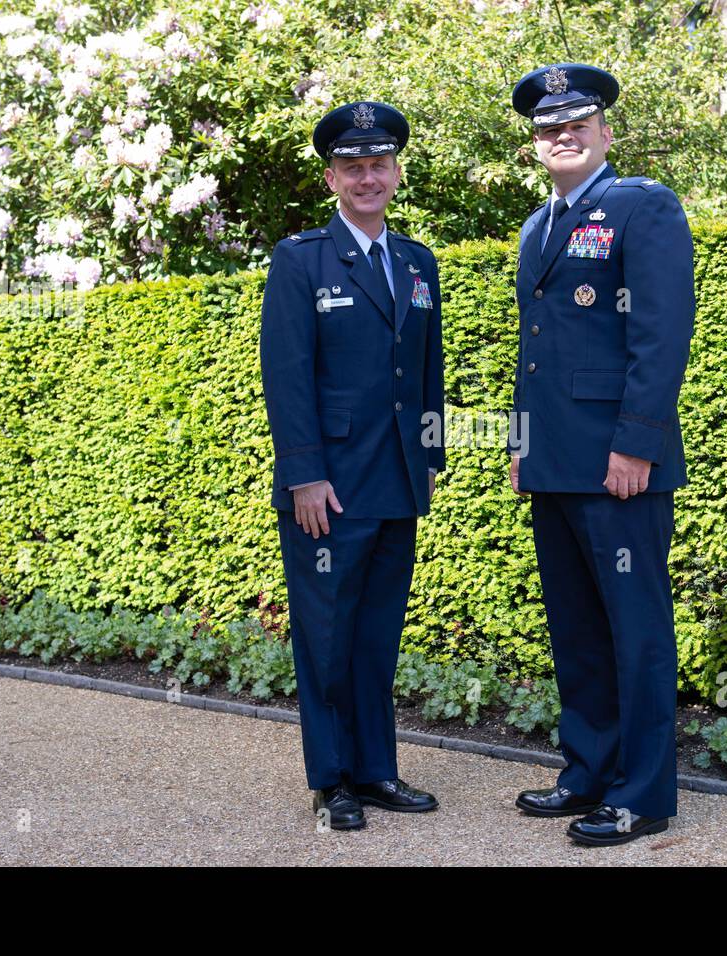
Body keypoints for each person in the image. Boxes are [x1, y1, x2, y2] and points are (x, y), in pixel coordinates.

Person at [506, 64, 696, 846]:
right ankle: (586, 772)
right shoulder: (536, 226)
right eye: (550, 129)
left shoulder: (641, 206)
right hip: (552, 461)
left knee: (635, 628)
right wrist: (520, 447)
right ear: (536, 144)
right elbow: (533, 353)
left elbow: (662, 333)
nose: (564, 136)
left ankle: (644, 792)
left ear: (605, 132)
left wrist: (636, 445)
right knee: (577, 628)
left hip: (618, 463)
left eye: (577, 124)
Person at [259, 101, 445, 831]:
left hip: (396, 480)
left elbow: (427, 370)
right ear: (332, 176)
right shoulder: (301, 259)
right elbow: (287, 374)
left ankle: (377, 771)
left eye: (379, 164)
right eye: (353, 166)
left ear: (396, 172)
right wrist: (304, 474)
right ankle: (333, 779)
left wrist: (428, 454)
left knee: (377, 634)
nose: (367, 177)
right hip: (329, 488)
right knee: (328, 635)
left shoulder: (416, 262)